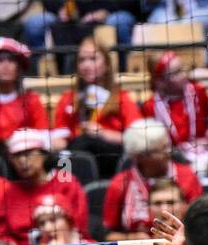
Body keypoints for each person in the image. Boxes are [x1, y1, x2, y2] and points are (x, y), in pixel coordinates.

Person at [52, 36, 144, 180]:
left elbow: (137, 139)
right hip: (75, 158)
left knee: (91, 143)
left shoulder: (121, 98)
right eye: (82, 60)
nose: (86, 65)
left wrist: (102, 133)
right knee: (67, 155)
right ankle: (66, 189)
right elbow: (58, 139)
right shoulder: (68, 99)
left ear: (106, 64)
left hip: (110, 159)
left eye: (93, 59)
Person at [103, 118, 203, 242]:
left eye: (167, 145)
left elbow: (201, 223)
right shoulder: (120, 183)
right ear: (140, 157)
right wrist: (132, 238)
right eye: (160, 149)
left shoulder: (187, 176)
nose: (168, 152)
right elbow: (107, 234)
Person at [0, 128, 89, 245]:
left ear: (43, 154)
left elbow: (78, 226)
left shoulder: (66, 183)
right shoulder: (9, 192)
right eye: (17, 156)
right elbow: (2, 234)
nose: (22, 161)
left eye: (28, 153)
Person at [143, 51, 208, 175]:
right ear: (160, 82)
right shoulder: (151, 106)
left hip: (204, 154)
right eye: (176, 73)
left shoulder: (198, 92)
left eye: (182, 69)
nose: (183, 75)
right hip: (172, 162)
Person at [23, 0, 136, 71]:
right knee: (36, 23)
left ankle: (122, 70)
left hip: (108, 14)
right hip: (71, 18)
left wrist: (105, 10)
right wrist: (62, 9)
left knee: (121, 19)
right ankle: (42, 71)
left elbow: (130, 3)